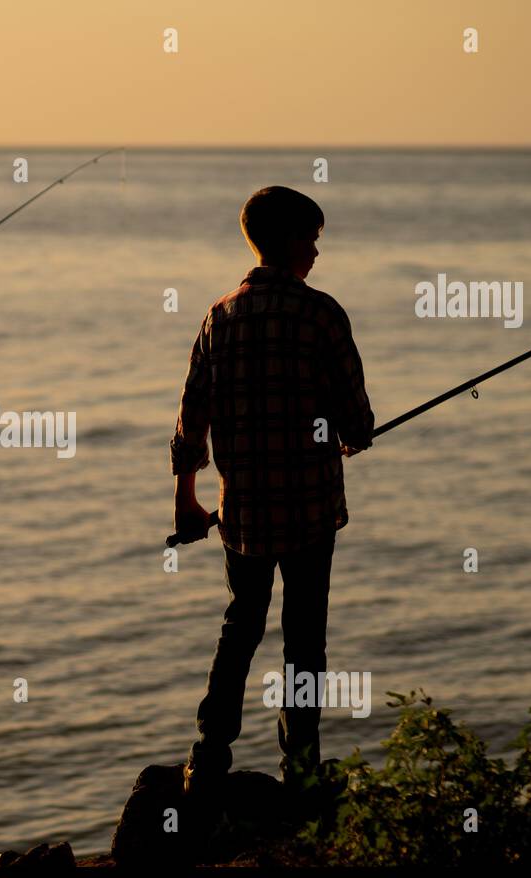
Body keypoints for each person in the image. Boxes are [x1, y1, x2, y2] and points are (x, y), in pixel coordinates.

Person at [170, 185, 374, 809]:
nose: (316, 251)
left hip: (244, 514)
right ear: (288, 240)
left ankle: (208, 757)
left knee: (241, 626)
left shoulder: (219, 315)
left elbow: (191, 417)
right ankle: (302, 767)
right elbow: (357, 421)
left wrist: (186, 497)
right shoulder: (322, 315)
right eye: (312, 238)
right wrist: (352, 435)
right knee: (304, 639)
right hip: (309, 510)